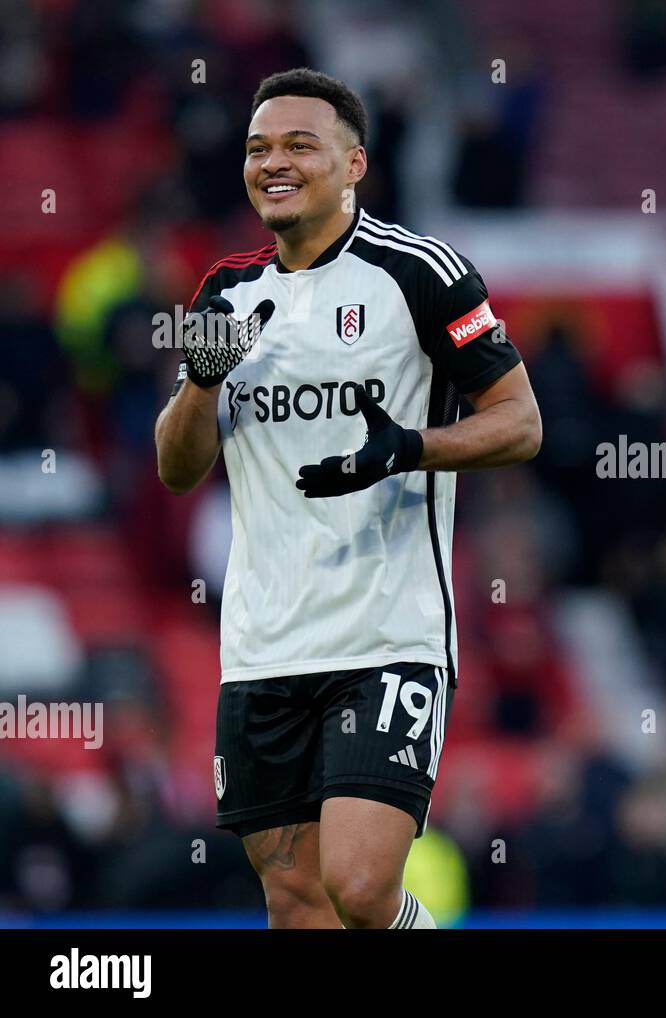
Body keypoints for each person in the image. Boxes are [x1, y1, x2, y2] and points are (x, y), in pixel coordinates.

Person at [155, 68, 541, 929]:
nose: (273, 163)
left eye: (299, 144)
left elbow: (521, 423)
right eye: (259, 149)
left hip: (386, 634)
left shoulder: (418, 271)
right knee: (295, 904)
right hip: (262, 647)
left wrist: (406, 448)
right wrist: (199, 385)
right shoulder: (227, 290)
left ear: (355, 161)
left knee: (360, 888)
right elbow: (178, 468)